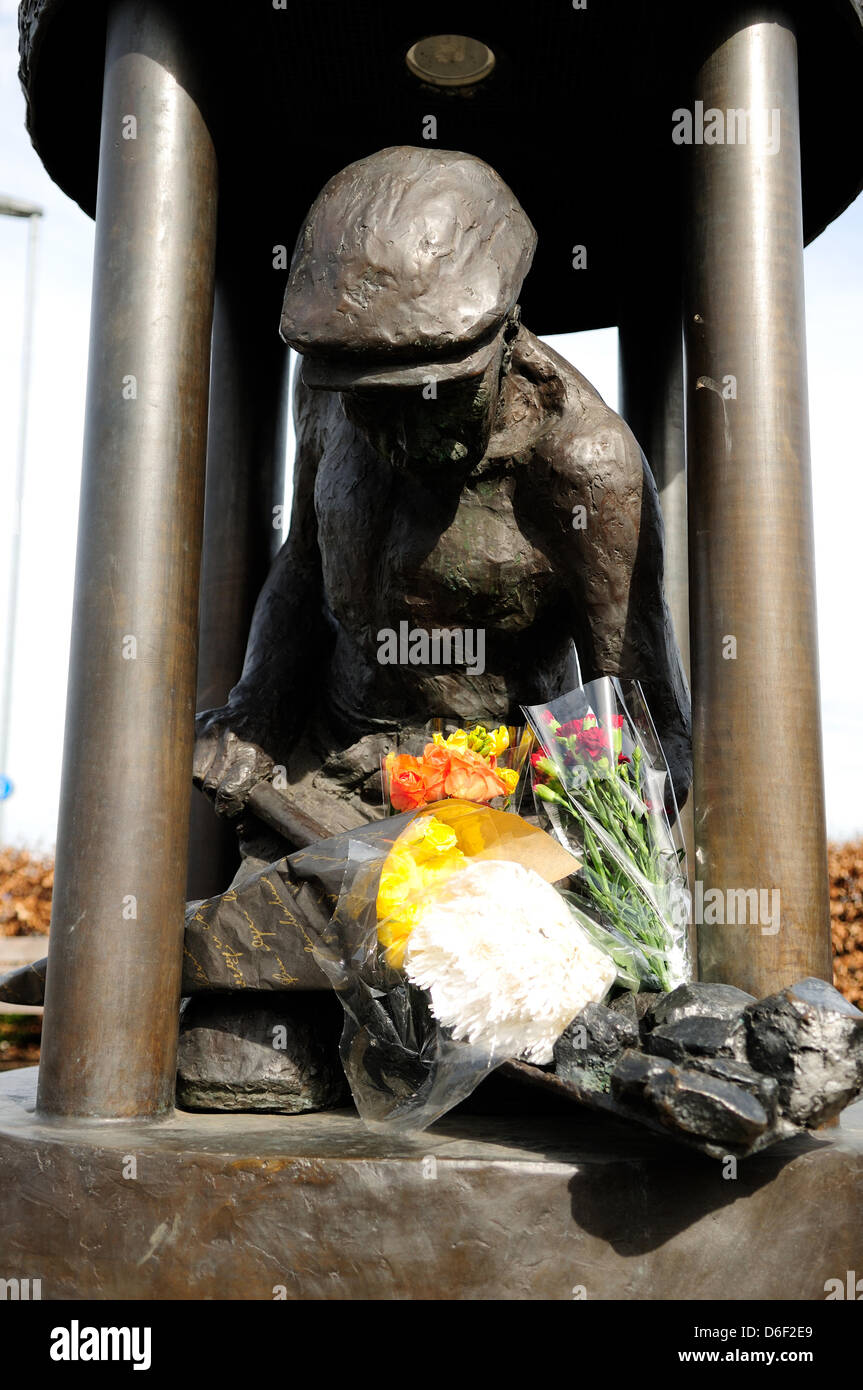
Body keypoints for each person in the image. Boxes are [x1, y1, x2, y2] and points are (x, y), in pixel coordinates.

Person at [194, 146, 691, 844]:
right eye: (375, 404)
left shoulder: (583, 468)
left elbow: (644, 724)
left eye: (432, 398)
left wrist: (582, 852)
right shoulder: (331, 392)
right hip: (327, 772)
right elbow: (304, 563)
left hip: (500, 800)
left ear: (506, 338)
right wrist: (253, 714)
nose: (398, 434)